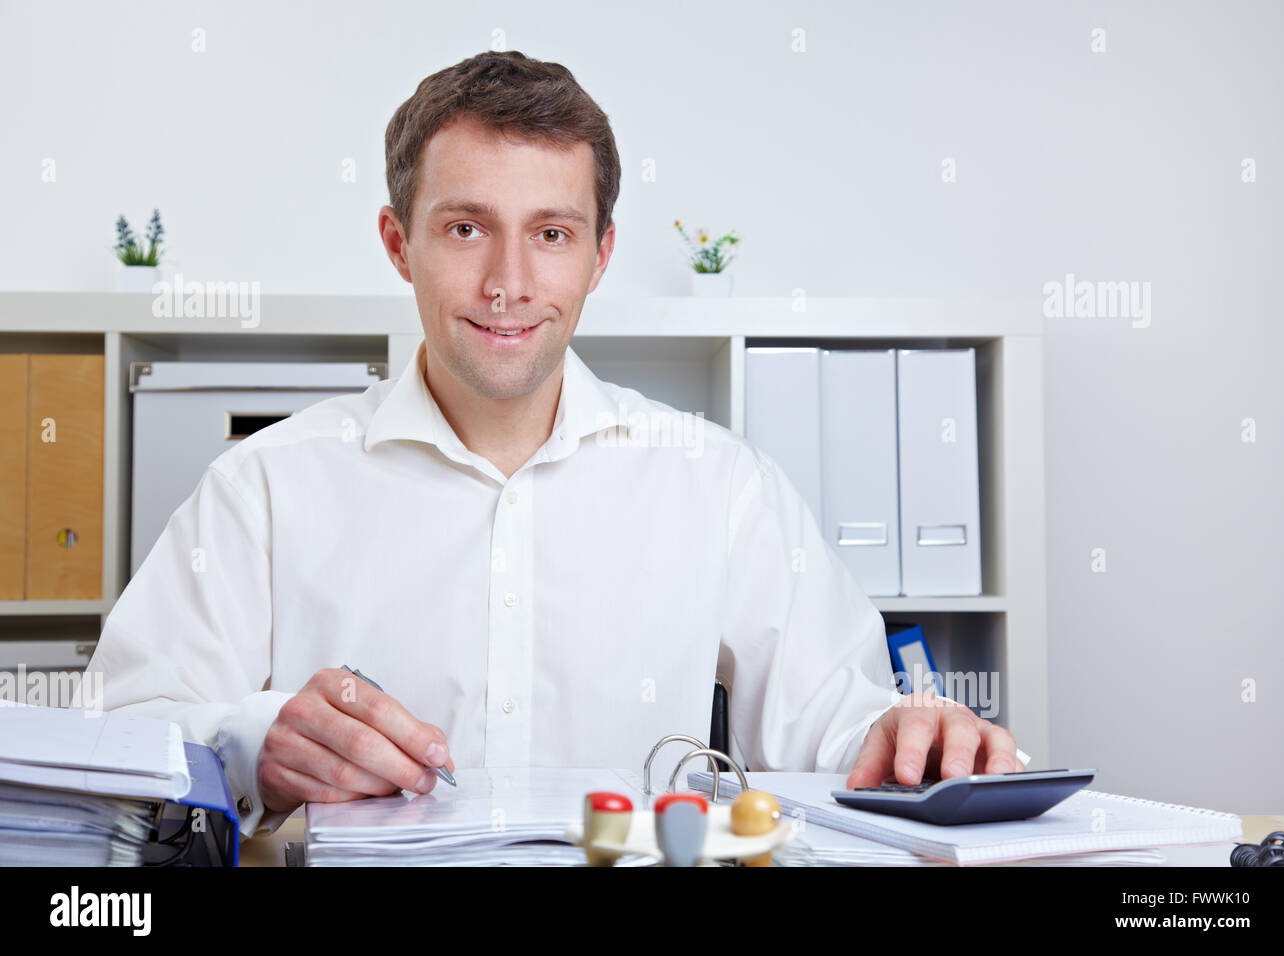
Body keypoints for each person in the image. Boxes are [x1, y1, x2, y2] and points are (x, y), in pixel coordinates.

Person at [86, 50, 1024, 840]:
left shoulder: (718, 485)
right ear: (397, 242)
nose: (509, 282)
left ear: (600, 255)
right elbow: (113, 738)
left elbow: (838, 719)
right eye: (465, 229)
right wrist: (256, 745)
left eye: (552, 233)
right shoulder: (264, 487)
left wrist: (915, 734)